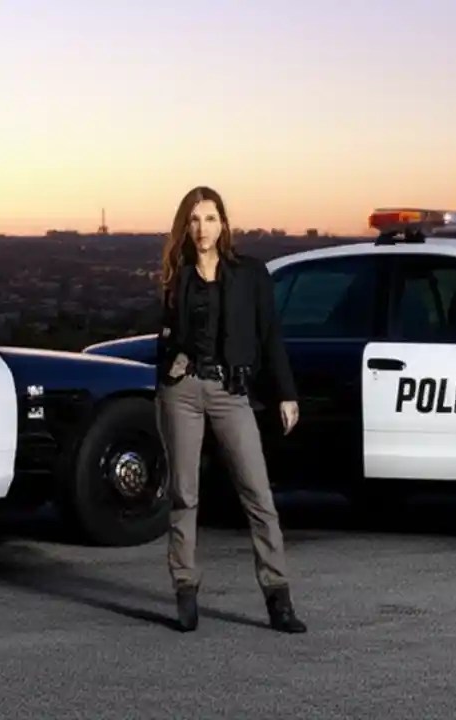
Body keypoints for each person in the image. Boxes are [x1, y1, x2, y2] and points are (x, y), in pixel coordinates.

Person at [154, 185, 307, 634]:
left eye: (211, 218)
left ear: (224, 224)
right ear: (186, 226)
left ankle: (278, 598)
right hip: (181, 393)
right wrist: (172, 360)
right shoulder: (174, 274)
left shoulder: (250, 275)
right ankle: (185, 589)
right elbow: (163, 333)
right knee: (185, 494)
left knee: (258, 495)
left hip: (230, 392)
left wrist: (286, 392)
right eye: (195, 220)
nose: (203, 229)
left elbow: (269, 336)